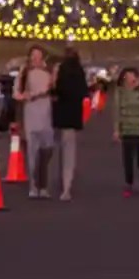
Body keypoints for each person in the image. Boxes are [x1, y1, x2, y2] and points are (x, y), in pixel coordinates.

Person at [13, 44, 55, 198]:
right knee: (32, 152)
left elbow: (56, 90)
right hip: (30, 114)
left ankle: (42, 184)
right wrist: (25, 96)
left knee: (47, 150)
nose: (36, 58)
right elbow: (16, 93)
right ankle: (34, 186)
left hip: (47, 115)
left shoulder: (49, 72)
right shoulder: (24, 72)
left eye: (39, 55)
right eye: (33, 55)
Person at [50, 46, 88, 201]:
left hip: (59, 114)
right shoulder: (79, 71)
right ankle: (67, 186)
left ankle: (58, 181)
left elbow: (55, 90)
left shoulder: (60, 69)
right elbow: (84, 92)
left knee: (59, 150)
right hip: (73, 117)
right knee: (69, 152)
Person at [112, 67, 139, 197]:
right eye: (126, 77)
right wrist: (117, 130)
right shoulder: (120, 92)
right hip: (127, 130)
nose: (129, 80)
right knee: (128, 160)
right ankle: (128, 183)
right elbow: (117, 112)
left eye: (131, 77)